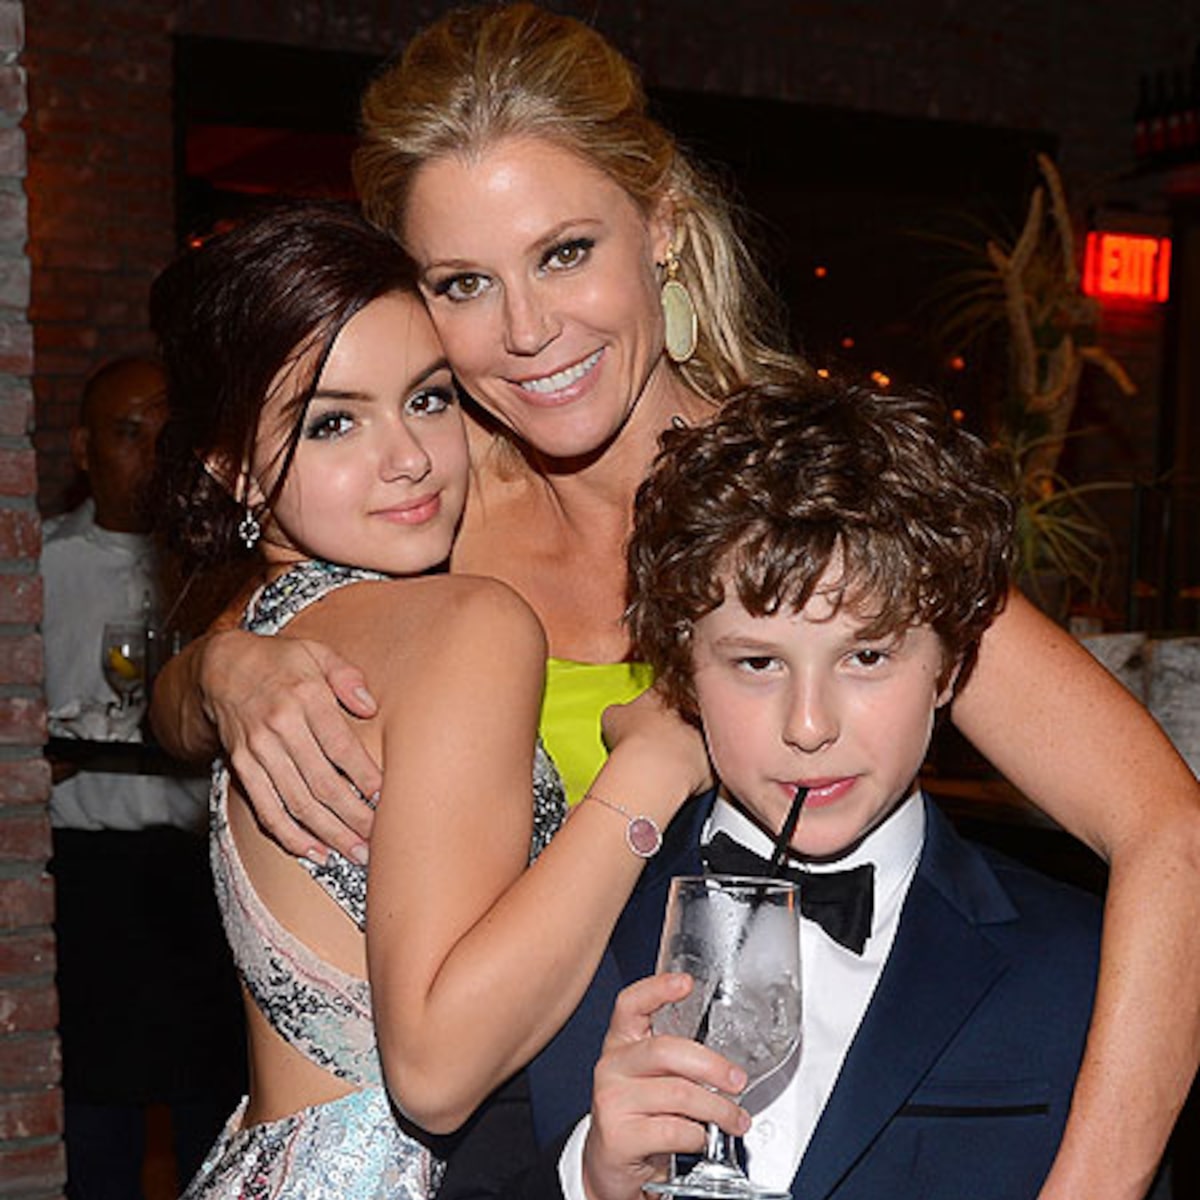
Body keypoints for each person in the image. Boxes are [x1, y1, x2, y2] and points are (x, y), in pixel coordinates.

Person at [150, 6, 1200, 1196]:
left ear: (661, 227)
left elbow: (1168, 830)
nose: (528, 332)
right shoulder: (424, 508)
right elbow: (222, 666)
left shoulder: (809, 498)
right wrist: (223, 672)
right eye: (465, 282)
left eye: (565, 253)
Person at [147, 202, 708, 1198]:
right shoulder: (465, 623)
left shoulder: (273, 625)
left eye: (428, 398)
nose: (406, 457)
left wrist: (209, 668)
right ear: (235, 472)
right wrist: (652, 770)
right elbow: (438, 1074)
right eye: (332, 422)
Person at [530, 379, 1109, 1200]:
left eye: (866, 657)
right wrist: (592, 1181)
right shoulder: (567, 931)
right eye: (757, 662)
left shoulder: (1078, 966)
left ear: (948, 667)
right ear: (684, 671)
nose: (808, 725)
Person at [42, 357, 245, 1199]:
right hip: (88, 877)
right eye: (128, 433)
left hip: (196, 877)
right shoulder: (38, 566)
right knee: (96, 1119)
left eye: (165, 435)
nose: (150, 454)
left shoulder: (216, 573)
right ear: (84, 449)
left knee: (214, 1108)